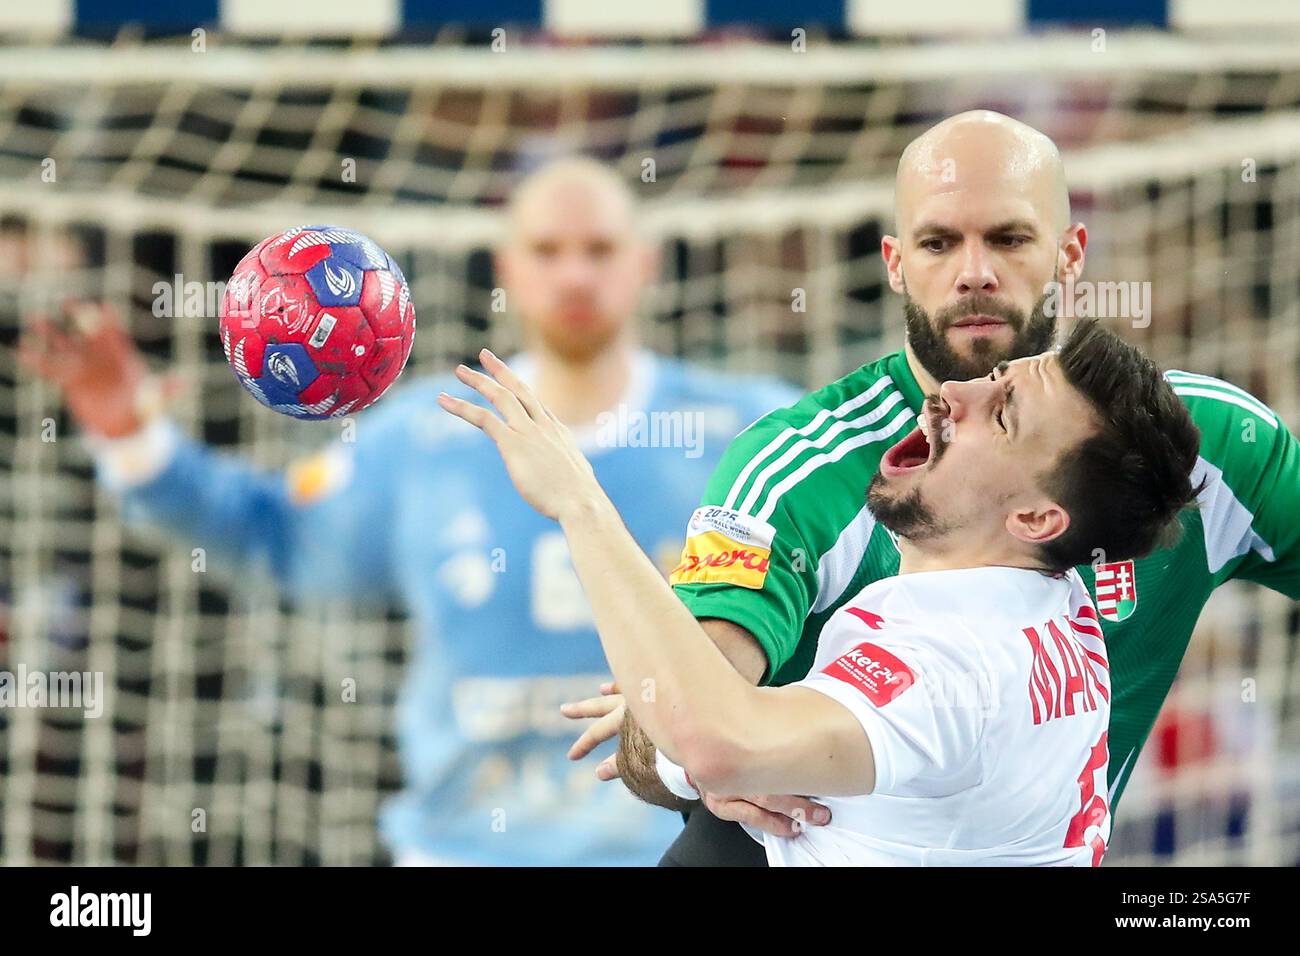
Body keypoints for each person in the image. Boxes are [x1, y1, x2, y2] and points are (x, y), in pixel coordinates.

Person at [561, 110, 1300, 866]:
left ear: (1071, 255)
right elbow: (674, 730)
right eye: (939, 242)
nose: (974, 270)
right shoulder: (803, 469)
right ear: (893, 262)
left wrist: (579, 510)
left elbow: (686, 722)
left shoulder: (1187, 446)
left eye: (1009, 239)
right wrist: (694, 743)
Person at [17, 157, 801, 866]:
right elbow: (278, 539)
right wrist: (133, 440)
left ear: (645, 263)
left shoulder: (746, 434)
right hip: (465, 850)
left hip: (676, 850)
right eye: (547, 251)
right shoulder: (429, 435)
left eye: (598, 250)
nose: (573, 276)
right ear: (506, 267)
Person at [441, 320, 1203, 865]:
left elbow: (717, 738)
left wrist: (580, 504)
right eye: (993, 380)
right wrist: (684, 727)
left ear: (1038, 517)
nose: (954, 394)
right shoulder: (1058, 604)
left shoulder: (956, 662)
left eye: (999, 415)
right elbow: (710, 747)